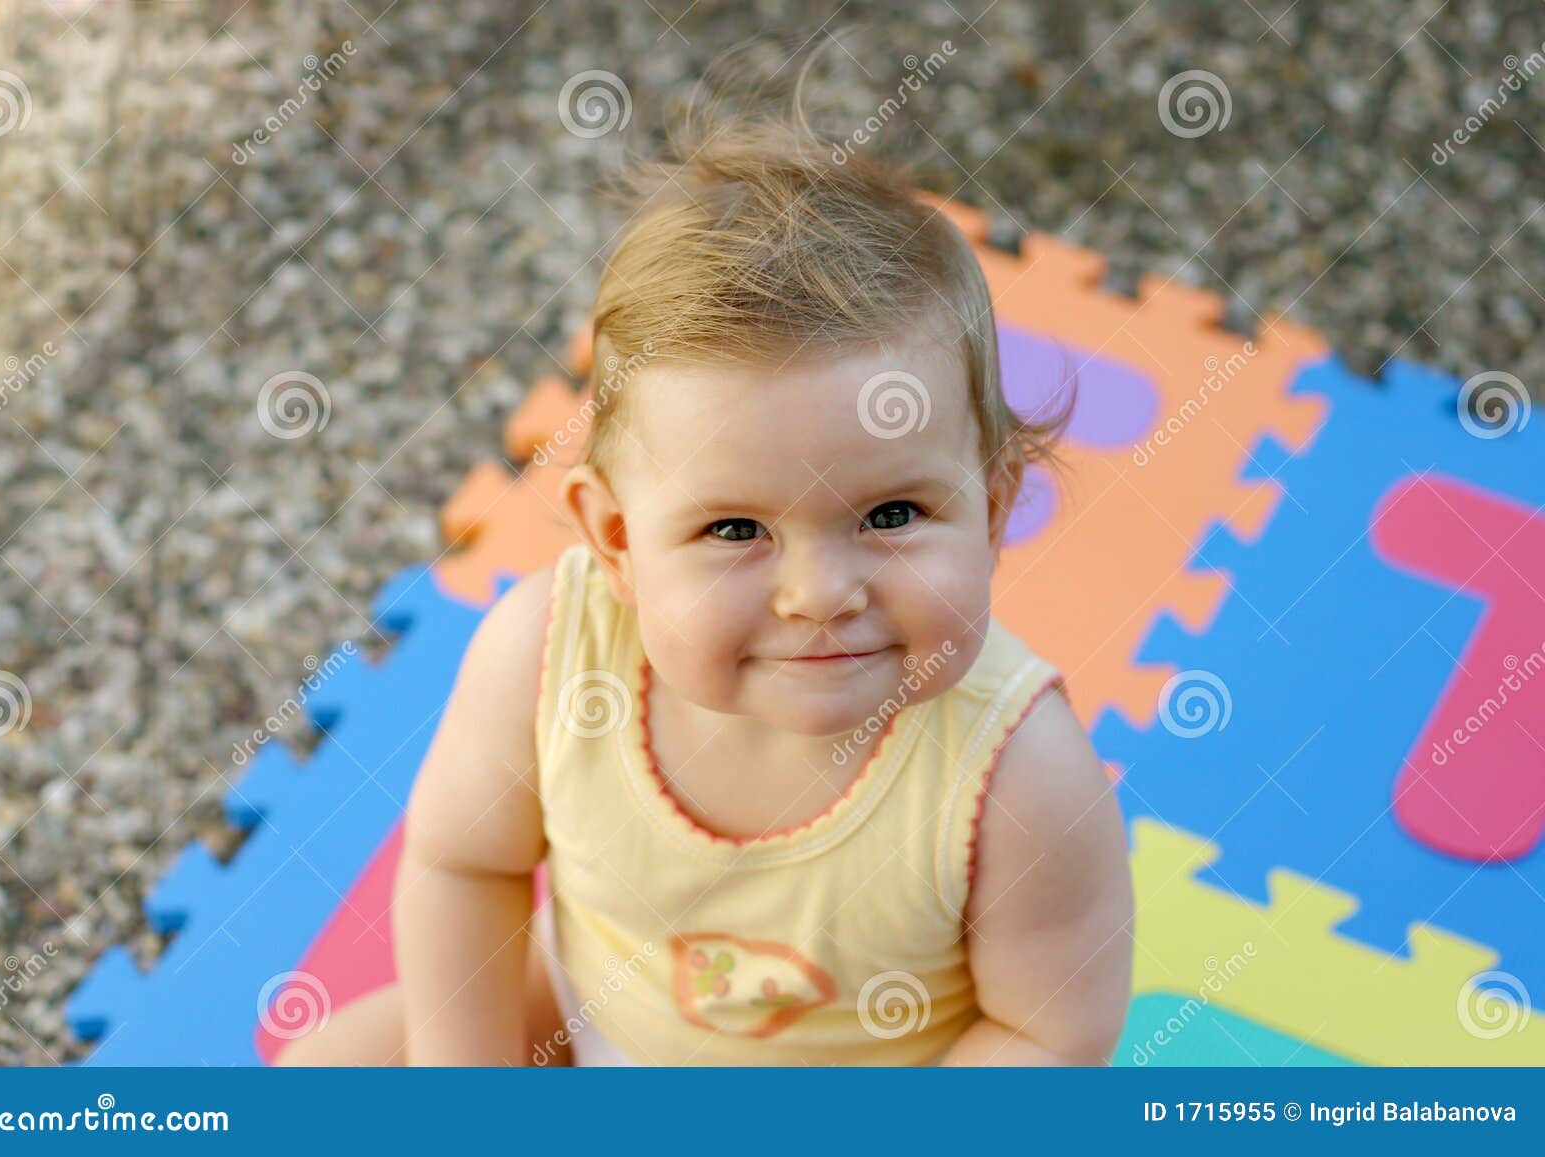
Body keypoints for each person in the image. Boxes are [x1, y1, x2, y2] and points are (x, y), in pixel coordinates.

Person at [277, 45, 1133, 1068]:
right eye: (735, 530)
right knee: (325, 1071)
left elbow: (1048, 1035)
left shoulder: (1019, 778)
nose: (819, 593)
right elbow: (465, 865)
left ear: (991, 511)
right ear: (616, 541)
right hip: (585, 1015)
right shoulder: (546, 657)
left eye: (893, 513)